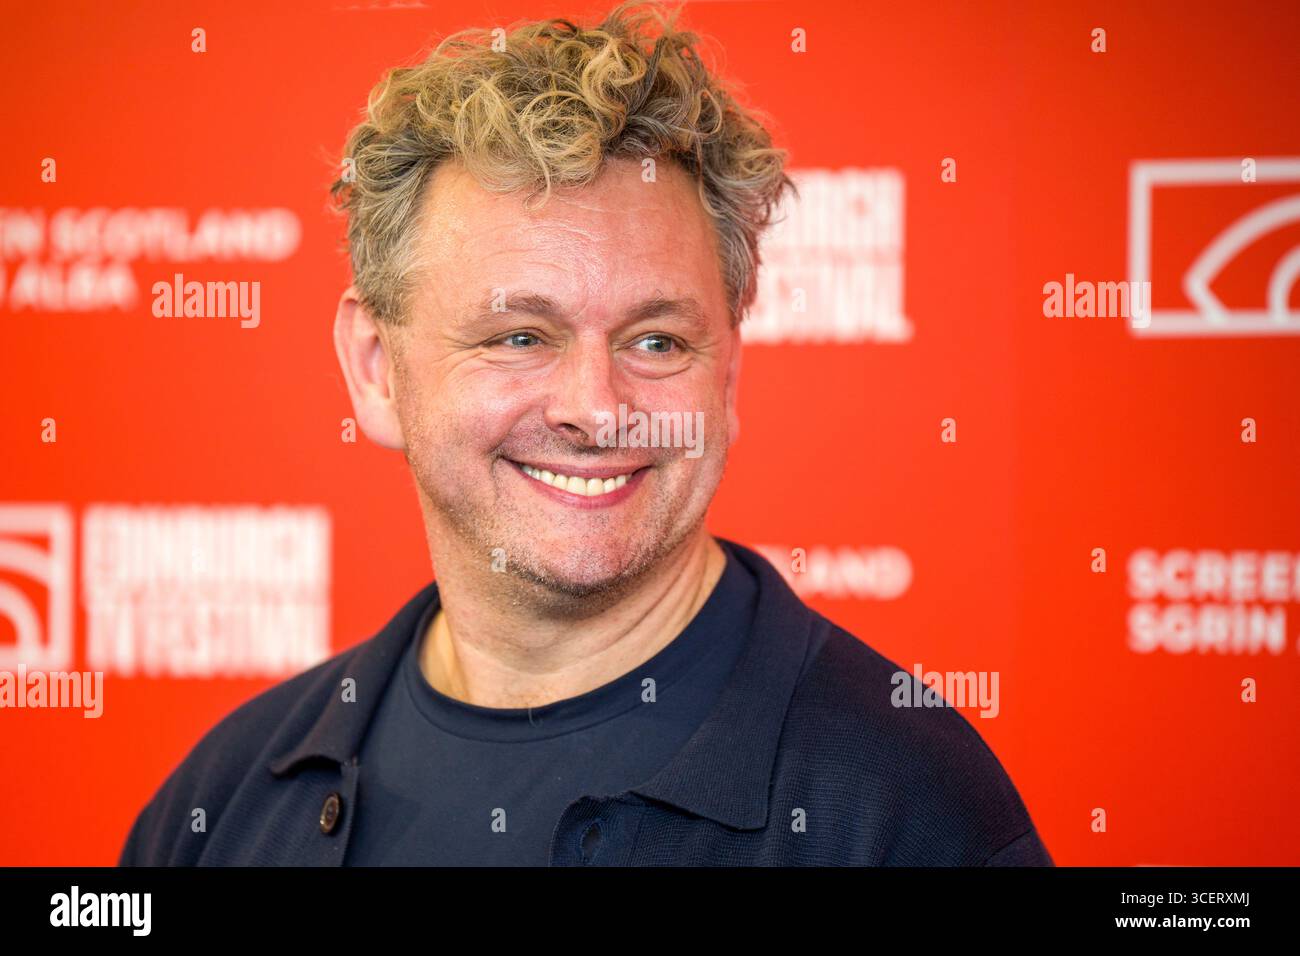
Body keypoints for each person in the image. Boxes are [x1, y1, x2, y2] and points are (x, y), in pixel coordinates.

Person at [119, 0, 1052, 866]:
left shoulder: (903, 811)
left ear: (725, 373)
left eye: (657, 340)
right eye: (519, 335)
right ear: (373, 367)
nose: (596, 409)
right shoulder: (222, 806)